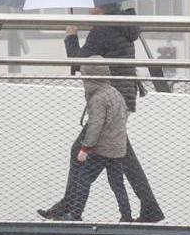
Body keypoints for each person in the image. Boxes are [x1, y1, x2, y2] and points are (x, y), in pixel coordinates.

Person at [42, 1, 164, 223]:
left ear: (101, 7)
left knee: (80, 150)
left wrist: (71, 35)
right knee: (122, 154)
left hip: (108, 99)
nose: (88, 9)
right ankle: (149, 207)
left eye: (92, 5)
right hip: (123, 96)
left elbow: (79, 62)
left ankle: (70, 207)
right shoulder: (122, 24)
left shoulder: (103, 29)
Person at [40, 61, 132, 222]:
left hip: (102, 150)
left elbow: (95, 125)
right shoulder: (115, 93)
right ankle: (127, 216)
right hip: (118, 149)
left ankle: (75, 214)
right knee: (117, 184)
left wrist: (86, 148)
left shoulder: (97, 98)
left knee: (84, 179)